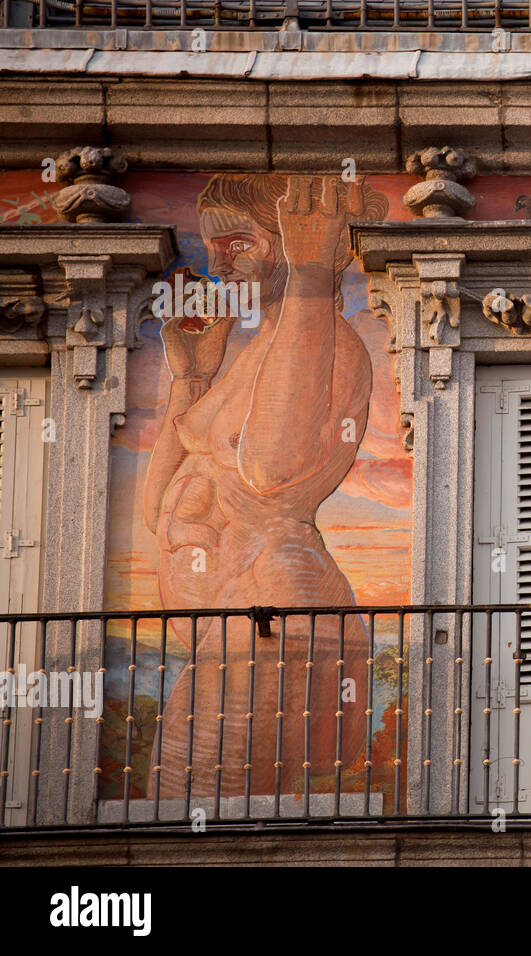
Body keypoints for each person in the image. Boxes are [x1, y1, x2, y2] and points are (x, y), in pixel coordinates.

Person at [144, 175, 387, 802]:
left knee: (203, 811)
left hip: (276, 611)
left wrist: (309, 281)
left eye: (239, 243)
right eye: (211, 245)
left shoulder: (330, 341)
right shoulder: (257, 348)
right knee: (184, 808)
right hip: (234, 624)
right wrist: (190, 379)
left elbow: (272, 469)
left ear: (292, 243)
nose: (216, 261)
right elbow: (155, 509)